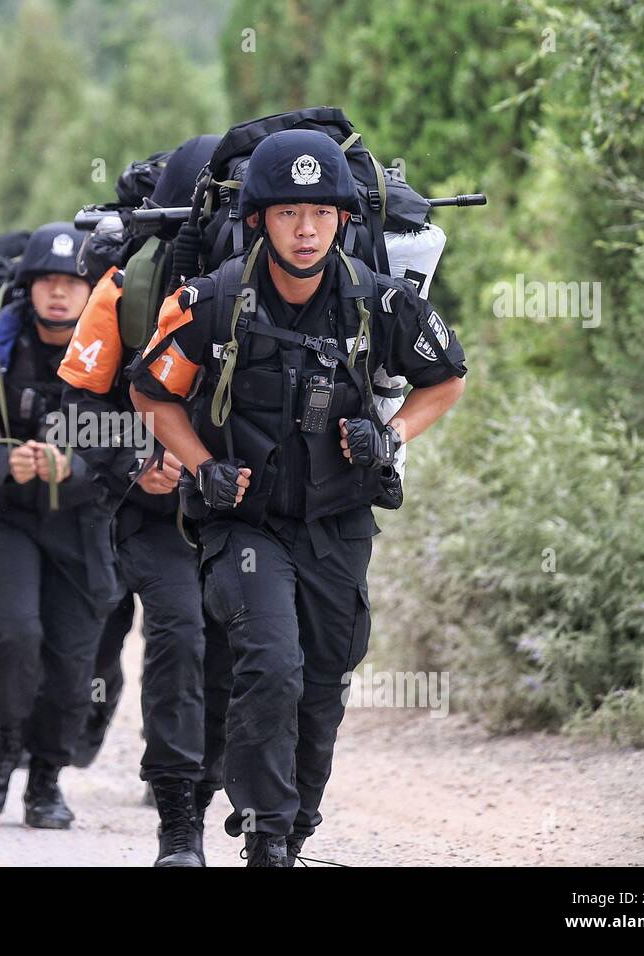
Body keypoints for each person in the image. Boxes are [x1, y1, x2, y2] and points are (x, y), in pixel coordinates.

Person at [131, 129, 468, 865]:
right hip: (243, 523)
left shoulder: (379, 304)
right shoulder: (210, 303)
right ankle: (265, 833)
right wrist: (199, 467)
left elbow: (447, 379)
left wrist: (393, 435)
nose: (306, 229)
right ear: (258, 220)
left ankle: (294, 826)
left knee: (322, 684)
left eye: (320, 212)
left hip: (337, 523)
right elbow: (152, 392)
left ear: (345, 219)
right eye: (288, 213)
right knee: (270, 664)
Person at [58, 134, 233, 866]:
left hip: (252, 513)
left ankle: (219, 787)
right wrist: (138, 462)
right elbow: (78, 407)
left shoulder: (307, 291)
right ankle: (178, 814)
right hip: (156, 515)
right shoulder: (129, 287)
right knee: (182, 638)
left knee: (241, 656)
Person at [0, 222, 120, 829]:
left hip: (83, 523)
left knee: (75, 665)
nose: (58, 292)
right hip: (8, 518)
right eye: (46, 279)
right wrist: (2, 459)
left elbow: (139, 429)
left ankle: (46, 780)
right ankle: (4, 744)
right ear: (27, 286)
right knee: (14, 636)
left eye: (71, 281)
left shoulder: (114, 343)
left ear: (89, 288)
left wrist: (77, 465)